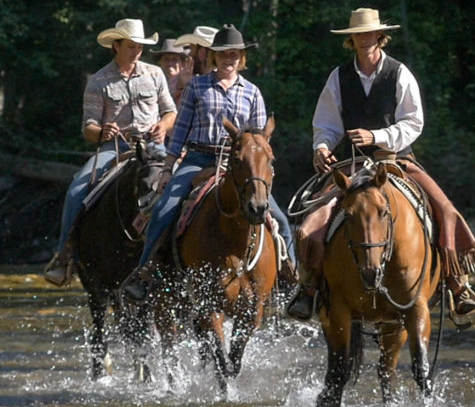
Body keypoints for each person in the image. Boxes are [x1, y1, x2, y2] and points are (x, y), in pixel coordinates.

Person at [286, 7, 475, 323]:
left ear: (380, 36)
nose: (364, 39)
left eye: (370, 33)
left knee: (444, 209)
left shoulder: (399, 72)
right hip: (351, 165)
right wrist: (322, 146)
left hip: (396, 161)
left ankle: (456, 284)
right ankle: (309, 286)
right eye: (358, 34)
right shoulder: (338, 77)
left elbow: (413, 121)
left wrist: (376, 135)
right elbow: (326, 124)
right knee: (313, 219)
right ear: (351, 40)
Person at [122, 24, 295, 302]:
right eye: (224, 54)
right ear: (214, 56)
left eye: (235, 54)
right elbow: (180, 130)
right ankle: (146, 274)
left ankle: (290, 277)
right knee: (164, 209)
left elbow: (260, 140)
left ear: (242, 58)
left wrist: (258, 166)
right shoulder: (197, 86)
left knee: (280, 220)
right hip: (198, 158)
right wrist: (168, 168)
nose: (230, 59)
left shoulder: (252, 92)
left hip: (239, 165)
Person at [43, 18, 177, 286]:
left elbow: (170, 111)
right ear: (116, 46)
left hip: (153, 147)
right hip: (116, 148)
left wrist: (162, 126)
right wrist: (102, 131)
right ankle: (65, 255)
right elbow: (88, 127)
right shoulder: (99, 81)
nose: (136, 51)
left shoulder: (154, 74)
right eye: (131, 46)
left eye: (139, 47)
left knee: (180, 190)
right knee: (77, 190)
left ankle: (179, 255)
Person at [149, 38, 193, 106]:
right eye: (166, 59)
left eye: (175, 59)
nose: (170, 63)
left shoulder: (188, 82)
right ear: (160, 62)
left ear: (182, 63)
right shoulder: (153, 82)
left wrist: (180, 87)